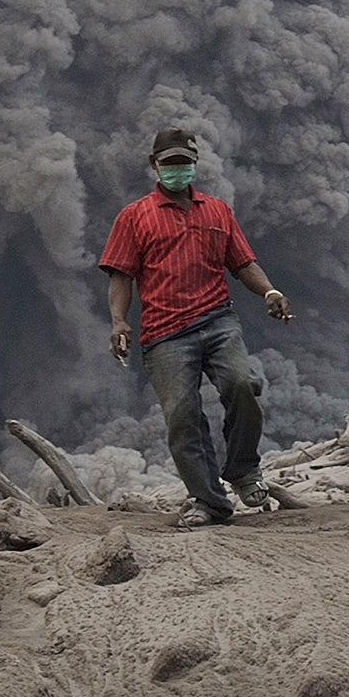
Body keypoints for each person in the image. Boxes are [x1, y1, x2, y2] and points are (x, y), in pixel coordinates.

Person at [100, 129, 295, 529]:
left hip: (218, 320)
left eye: (183, 163)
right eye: (169, 163)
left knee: (242, 385)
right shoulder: (134, 216)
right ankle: (210, 502)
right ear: (155, 166)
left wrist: (270, 292)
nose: (177, 170)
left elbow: (242, 263)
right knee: (183, 417)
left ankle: (242, 471)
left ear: (194, 165)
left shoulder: (218, 211)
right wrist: (119, 321)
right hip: (165, 332)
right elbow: (121, 275)